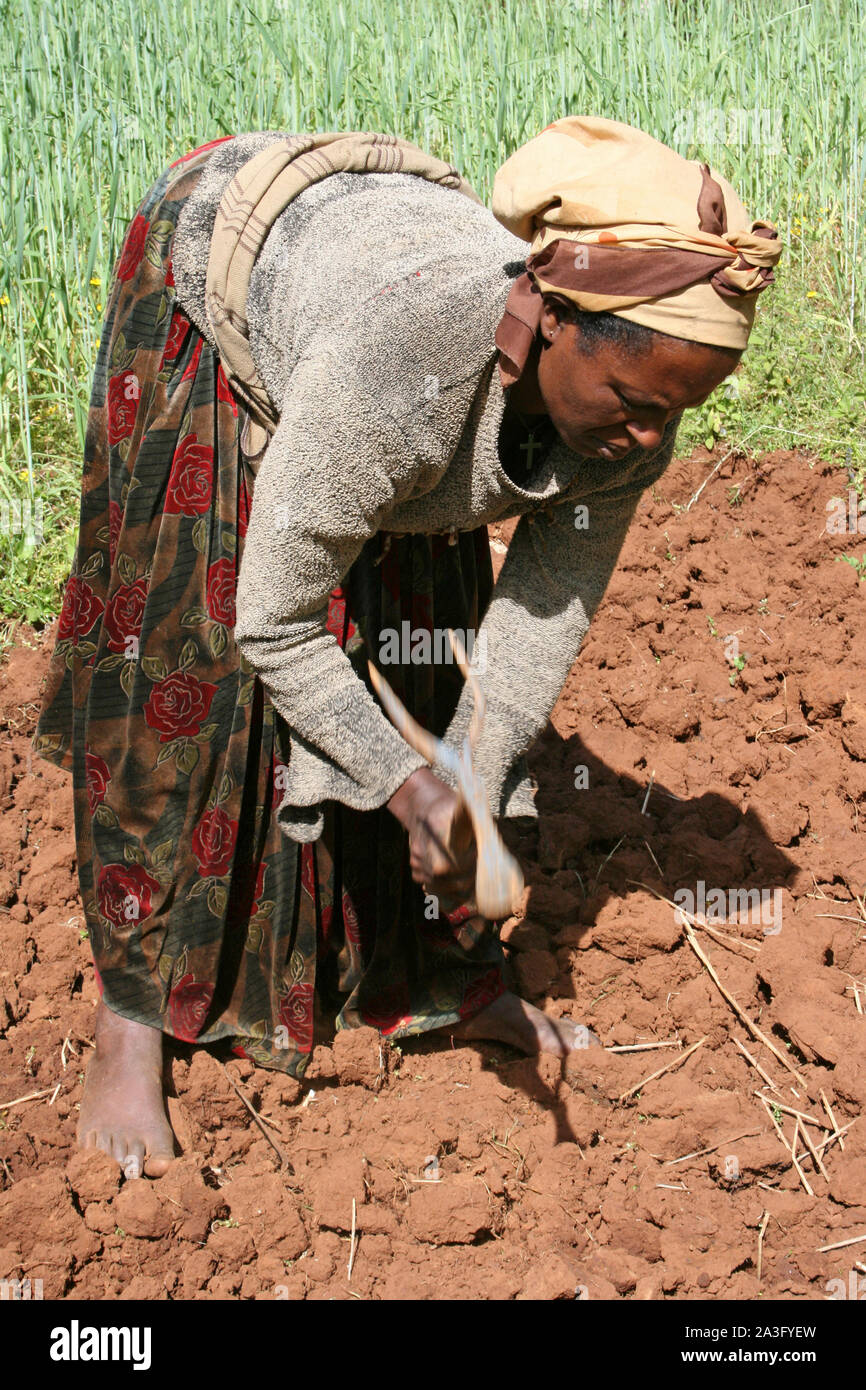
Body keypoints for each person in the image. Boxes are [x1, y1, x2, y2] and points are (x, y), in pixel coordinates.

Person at [32, 117, 781, 1177]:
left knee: (424, 635)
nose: (650, 441)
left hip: (390, 324)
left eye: (678, 414)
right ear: (554, 320)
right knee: (189, 657)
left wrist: (466, 775)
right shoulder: (398, 369)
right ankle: (133, 1010)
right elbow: (275, 620)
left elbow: (537, 612)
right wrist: (401, 783)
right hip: (233, 259)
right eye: (633, 405)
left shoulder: (630, 416)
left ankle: (441, 975)